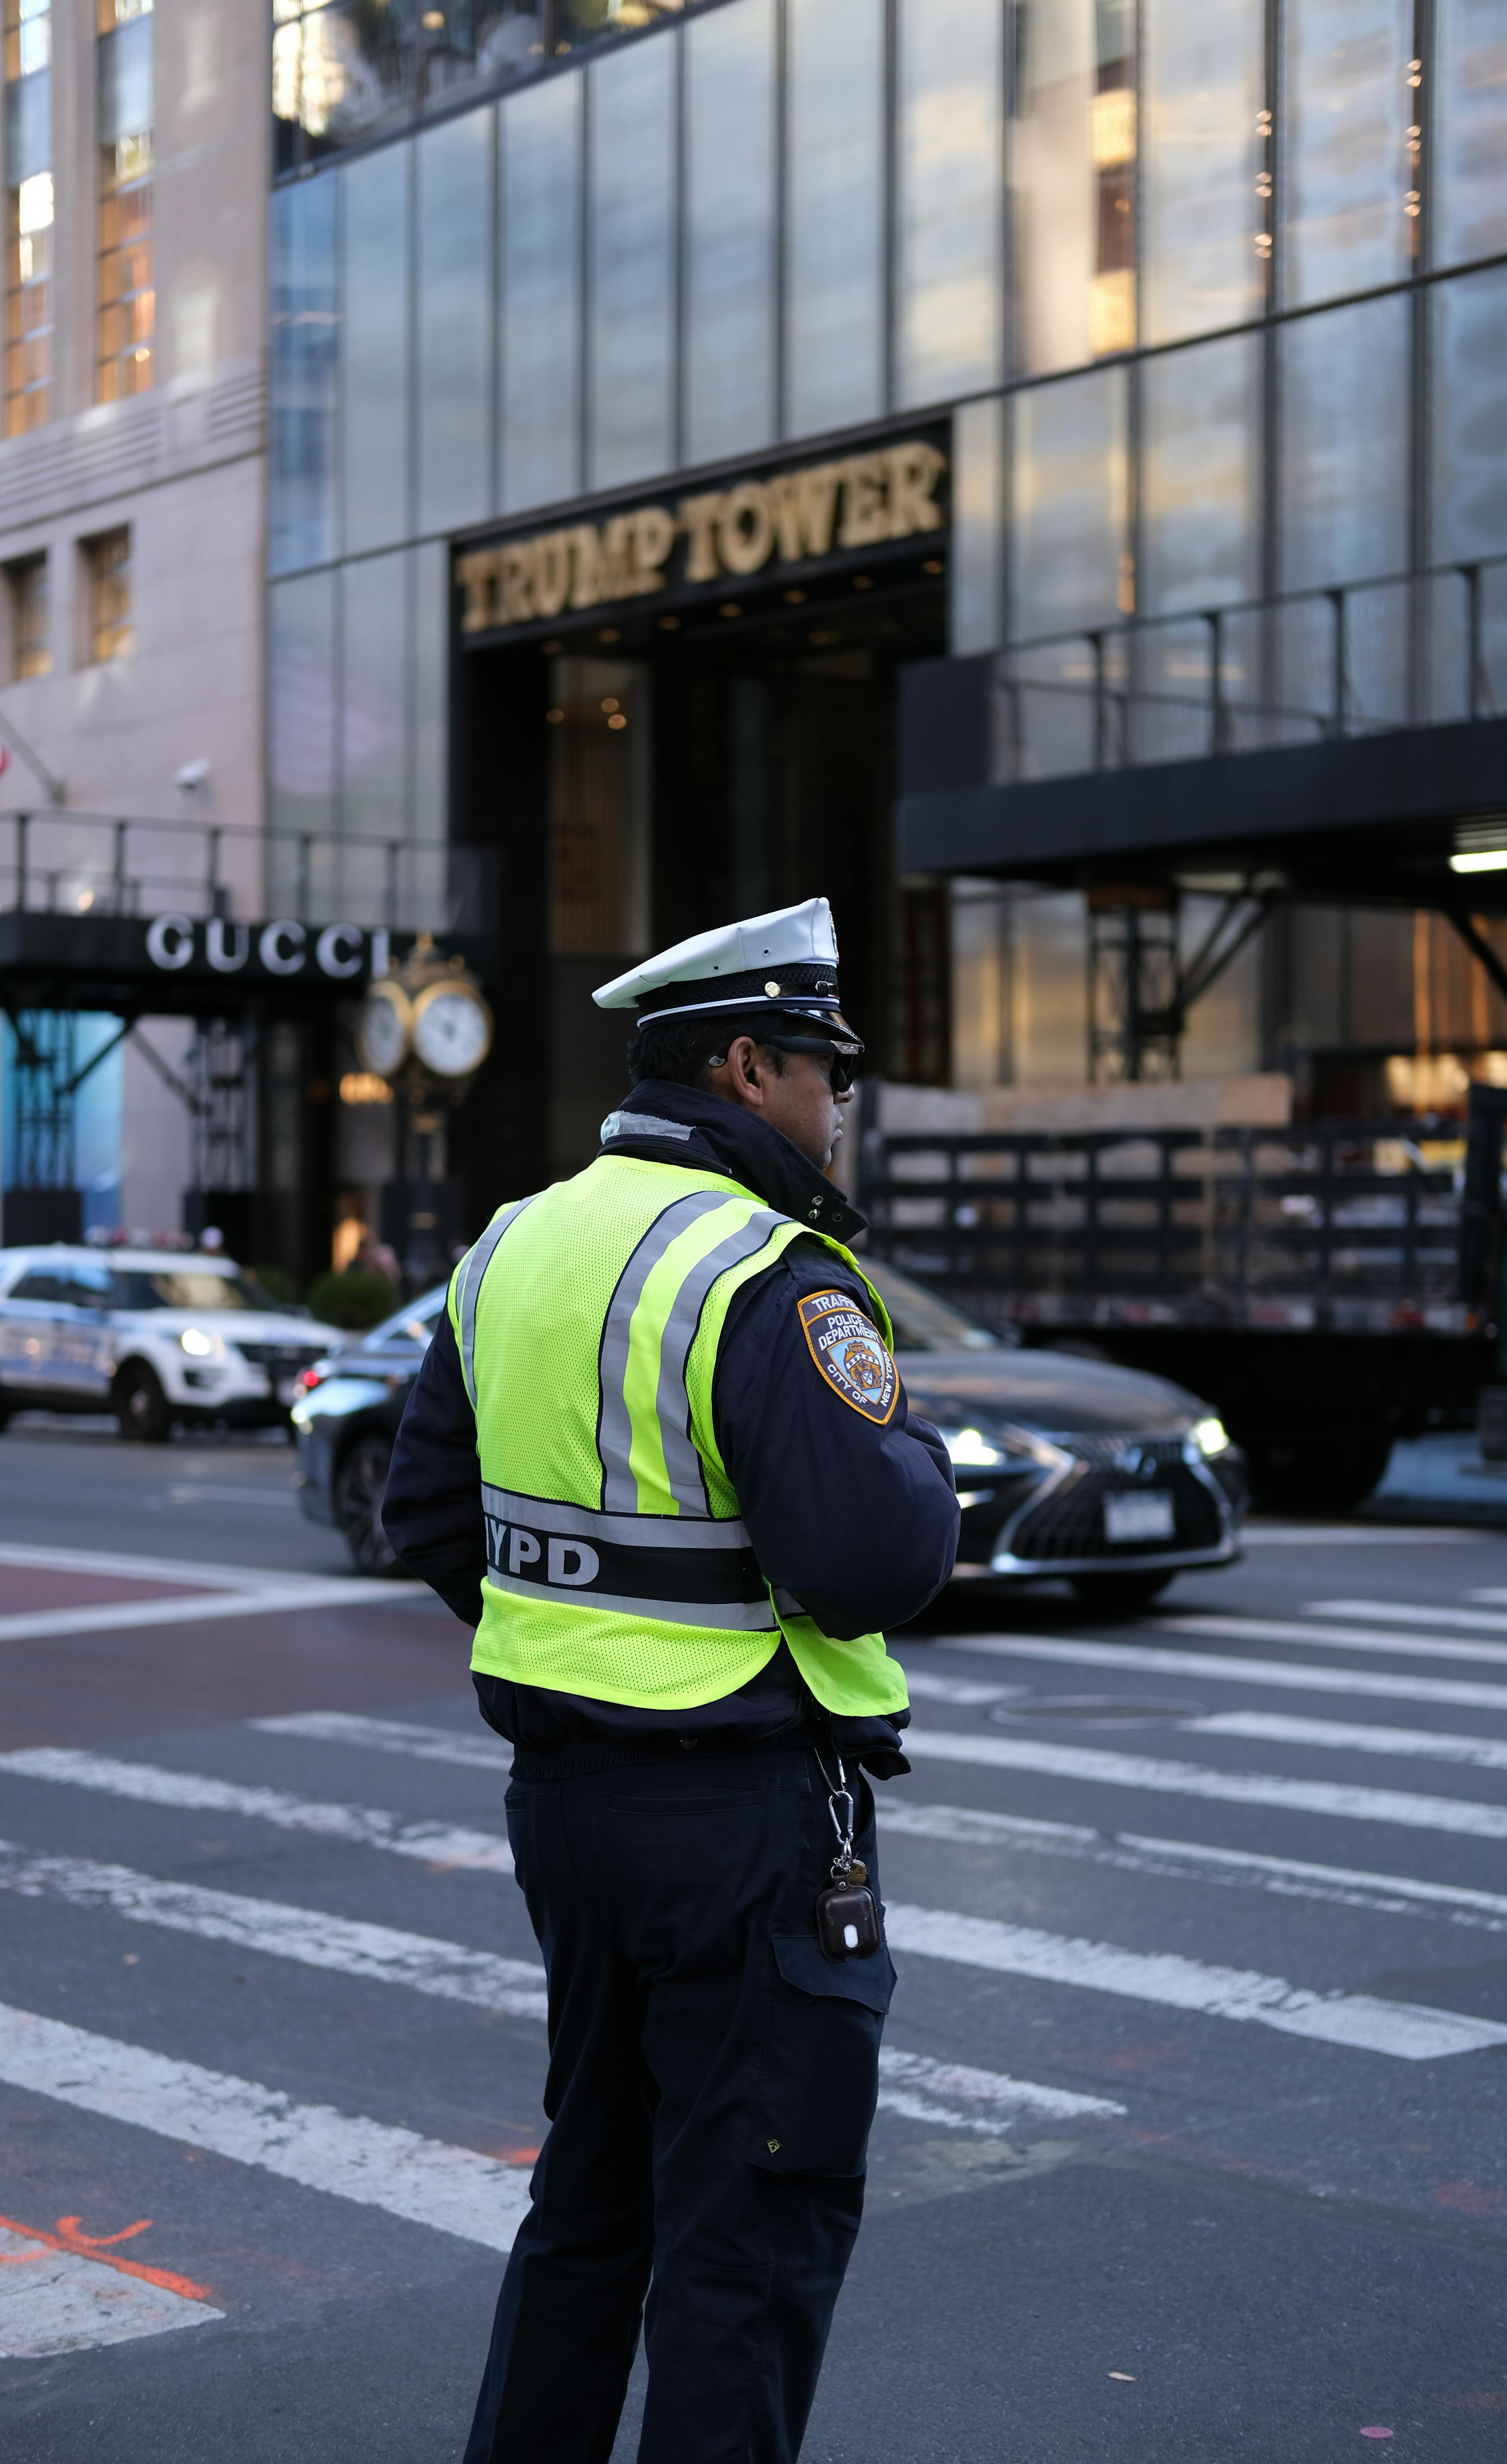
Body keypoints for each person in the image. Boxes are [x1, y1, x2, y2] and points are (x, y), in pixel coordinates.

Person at [380, 895, 959, 2464]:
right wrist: (910, 1449)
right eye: (825, 1072)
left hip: (567, 1806)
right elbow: (868, 1560)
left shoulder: (515, 1243)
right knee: (745, 2237)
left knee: (592, 2207)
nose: (838, 1106)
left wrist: (581, 1629)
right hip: (741, 1821)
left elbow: (424, 1512)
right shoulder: (766, 1270)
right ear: (748, 1064)